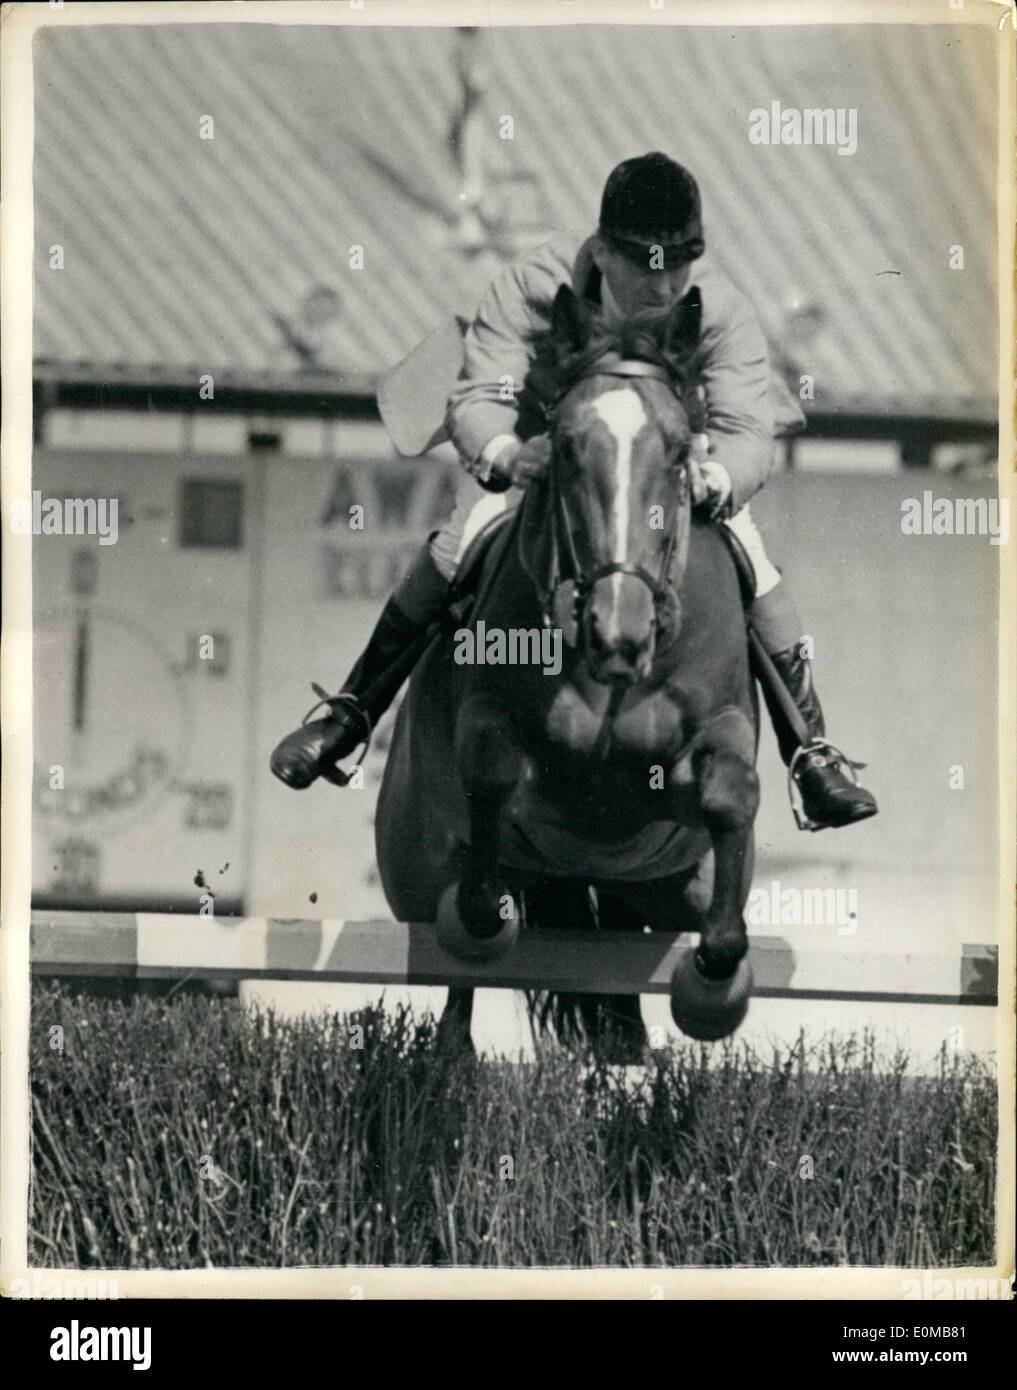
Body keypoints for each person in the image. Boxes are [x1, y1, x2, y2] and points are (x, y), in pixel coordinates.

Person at [271, 153, 877, 831]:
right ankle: (351, 712)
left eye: (678, 263)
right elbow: (478, 394)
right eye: (645, 265)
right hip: (547, 447)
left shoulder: (719, 308)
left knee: (752, 561)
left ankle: (810, 754)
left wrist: (719, 475)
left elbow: (747, 431)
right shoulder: (532, 284)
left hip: (663, 462)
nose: (663, 284)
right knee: (457, 543)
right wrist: (504, 452)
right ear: (603, 250)